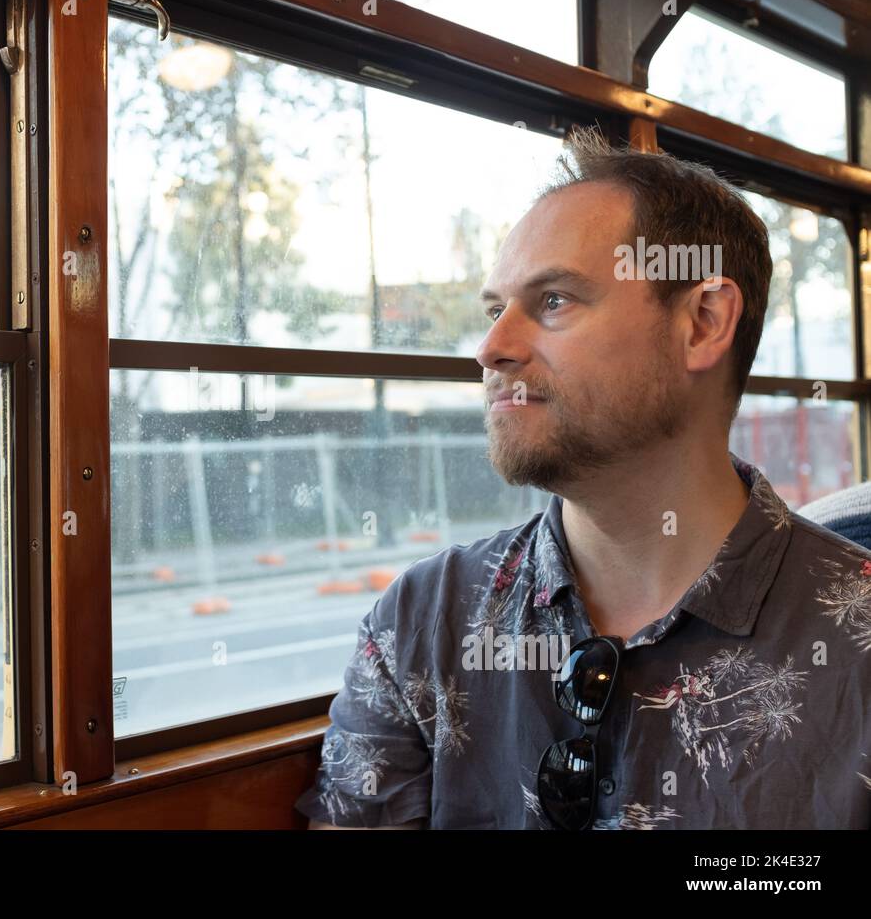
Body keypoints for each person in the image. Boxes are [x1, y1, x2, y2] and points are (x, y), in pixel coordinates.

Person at [296, 127, 871, 829]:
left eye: (555, 301)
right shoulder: (423, 621)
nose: (491, 349)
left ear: (703, 322)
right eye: (493, 310)